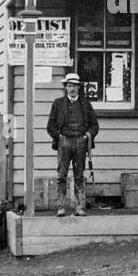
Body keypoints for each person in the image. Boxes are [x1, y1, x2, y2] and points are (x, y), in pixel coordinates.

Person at [47, 72, 99, 217]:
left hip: (80, 143)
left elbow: (94, 125)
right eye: (69, 86)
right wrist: (59, 136)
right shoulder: (58, 103)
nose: (72, 89)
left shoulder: (86, 104)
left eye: (75, 86)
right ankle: (61, 207)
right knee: (61, 175)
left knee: (79, 175)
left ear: (79, 88)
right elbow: (50, 125)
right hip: (64, 142)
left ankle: (78, 207)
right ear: (65, 88)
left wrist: (86, 136)